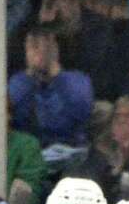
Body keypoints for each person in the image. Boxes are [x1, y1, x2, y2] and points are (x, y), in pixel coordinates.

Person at [8, 21, 94, 151]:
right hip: (30, 153)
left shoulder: (78, 80)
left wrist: (54, 70)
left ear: (55, 48)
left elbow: (81, 113)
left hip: (71, 149)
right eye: (31, 46)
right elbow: (12, 112)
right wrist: (31, 72)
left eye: (41, 46)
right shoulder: (19, 81)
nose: (37, 52)